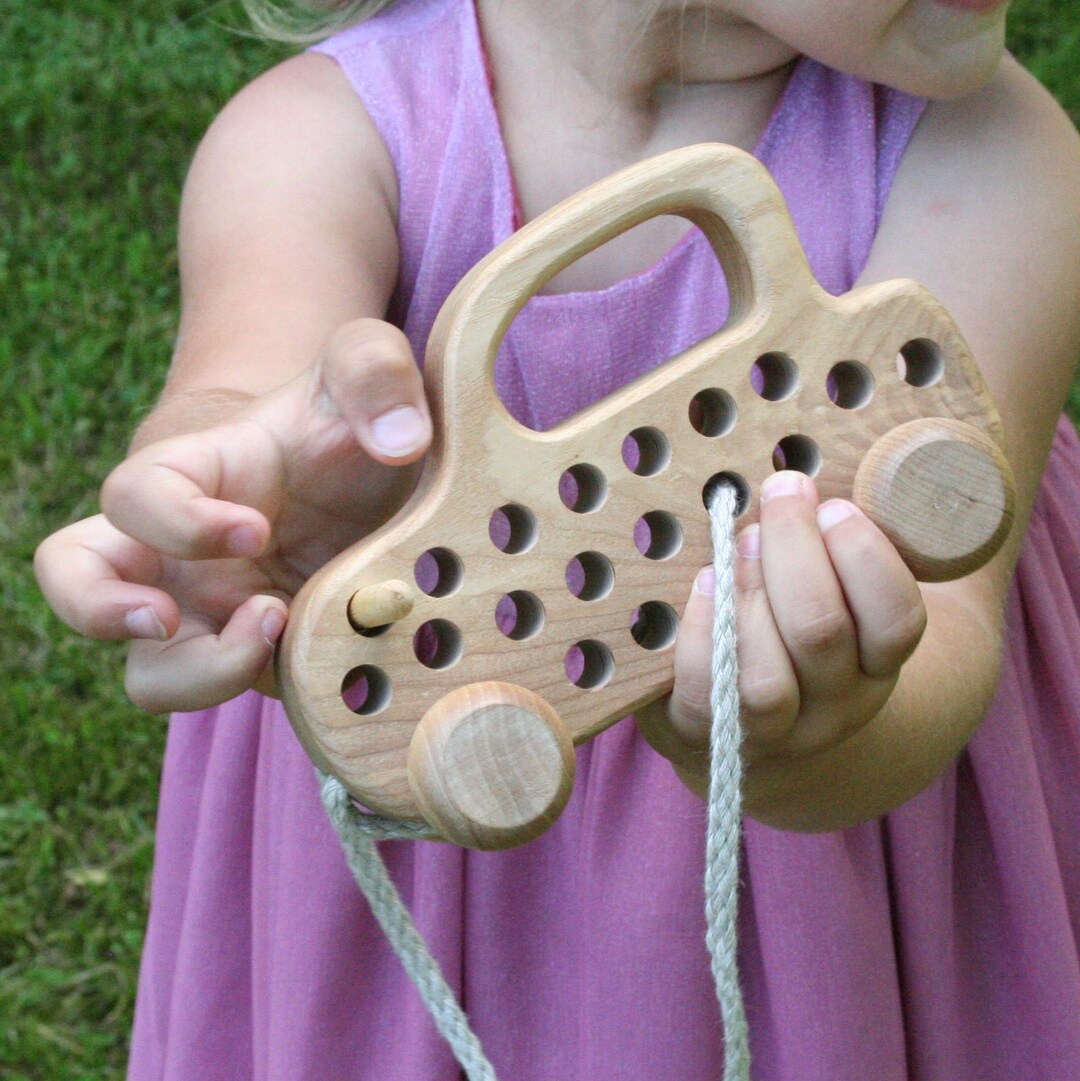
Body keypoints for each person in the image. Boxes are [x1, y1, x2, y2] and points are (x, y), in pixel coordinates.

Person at [33, 0, 1080, 1077]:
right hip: (431, 769)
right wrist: (220, 503)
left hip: (834, 893)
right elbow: (236, 393)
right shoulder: (326, 135)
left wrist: (802, 733)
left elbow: (944, 630)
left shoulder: (990, 150)